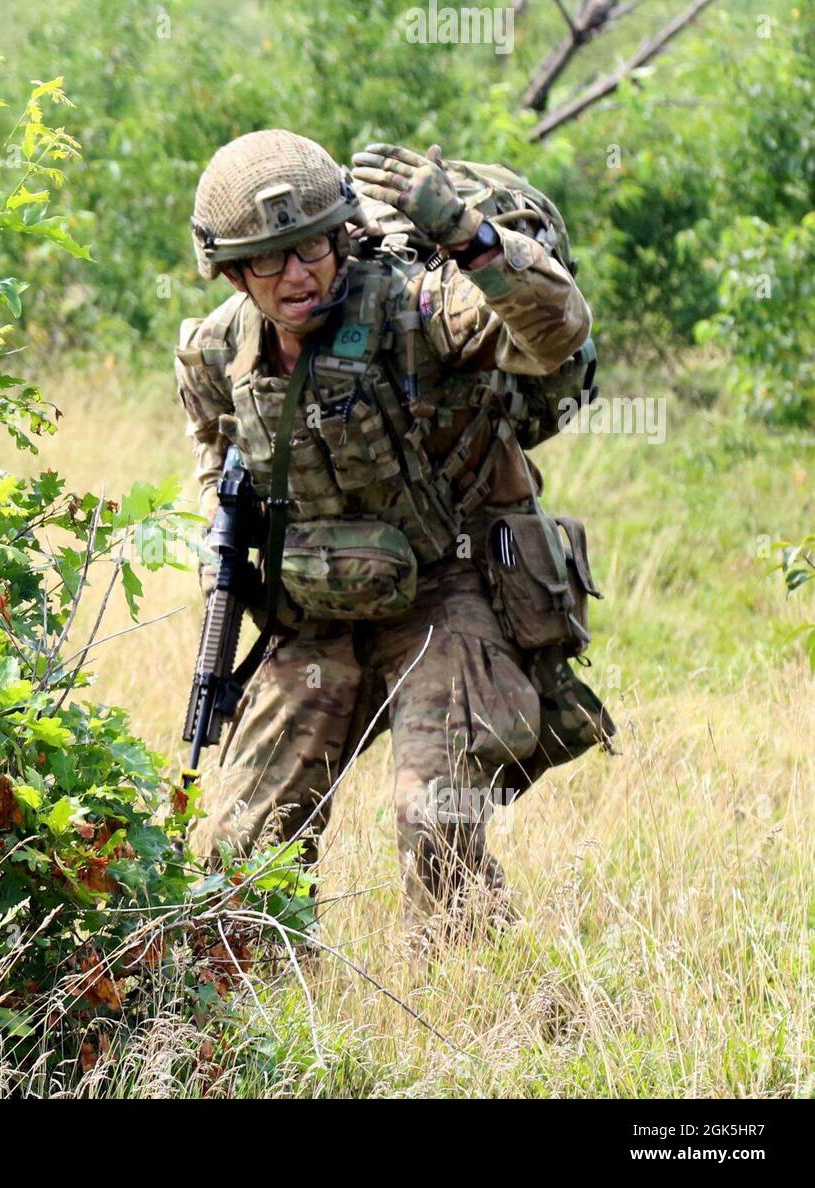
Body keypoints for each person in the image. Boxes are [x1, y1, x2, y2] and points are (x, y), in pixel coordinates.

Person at [176, 129, 612, 943]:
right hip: (316, 611)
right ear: (234, 271)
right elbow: (216, 456)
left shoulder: (417, 305)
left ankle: (476, 1003)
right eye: (269, 260)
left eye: (312, 247)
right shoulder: (217, 351)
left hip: (448, 589)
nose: (298, 275)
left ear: (341, 234)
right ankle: (246, 1032)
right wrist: (221, 546)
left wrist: (470, 237)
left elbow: (557, 329)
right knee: (240, 847)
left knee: (432, 815)